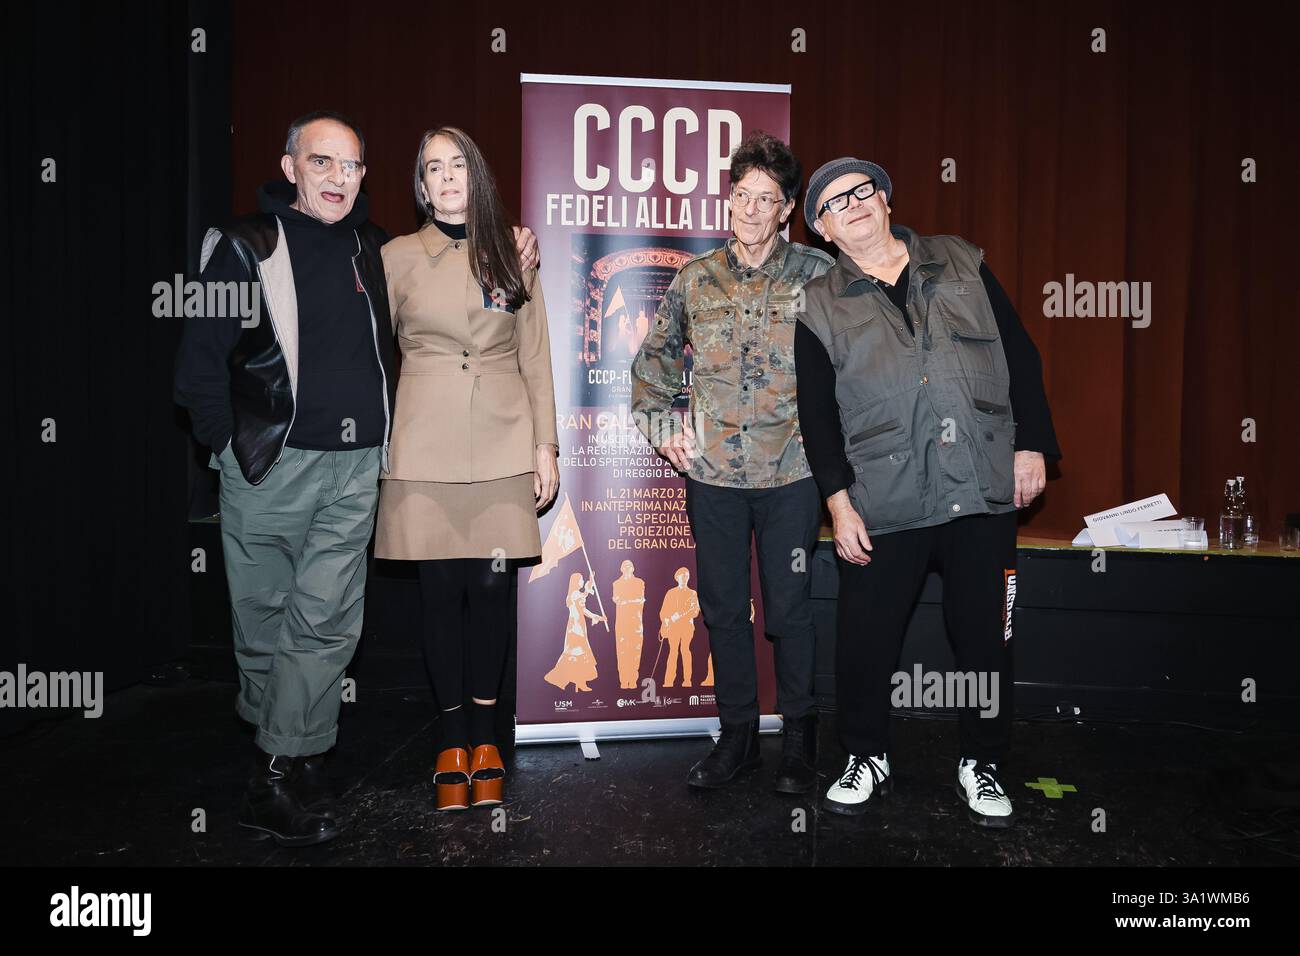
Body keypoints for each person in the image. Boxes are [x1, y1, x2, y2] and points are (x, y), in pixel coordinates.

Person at [175, 111, 538, 844]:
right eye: (323, 163)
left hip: (355, 470)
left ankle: (279, 772)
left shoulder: (370, 250)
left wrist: (510, 242)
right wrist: (233, 454)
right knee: (267, 627)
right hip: (269, 466)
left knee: (328, 627)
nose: (339, 178)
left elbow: (468, 274)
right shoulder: (247, 247)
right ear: (291, 168)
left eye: (351, 166)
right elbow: (196, 368)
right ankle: (286, 748)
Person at [795, 157, 1061, 827]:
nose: (850, 204)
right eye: (832, 204)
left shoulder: (961, 262)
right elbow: (816, 412)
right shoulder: (818, 304)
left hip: (980, 485)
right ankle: (866, 755)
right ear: (823, 232)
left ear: (884, 199)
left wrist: (1032, 444)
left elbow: (1020, 352)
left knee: (984, 639)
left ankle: (984, 762)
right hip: (885, 496)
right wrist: (837, 498)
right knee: (865, 640)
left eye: (860, 191)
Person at [631, 131, 833, 795]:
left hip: (793, 478)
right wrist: (665, 430)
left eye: (765, 199)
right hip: (714, 478)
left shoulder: (820, 277)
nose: (749, 209)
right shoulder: (696, 280)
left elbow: (861, 366)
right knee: (721, 607)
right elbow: (652, 363)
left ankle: (800, 741)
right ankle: (738, 738)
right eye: (740, 195)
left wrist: (835, 445)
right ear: (729, 199)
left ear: (787, 209)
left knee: (790, 609)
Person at [373, 126, 557, 812]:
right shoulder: (393, 256)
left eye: (457, 166)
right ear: (420, 185)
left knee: (491, 593)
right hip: (425, 445)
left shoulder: (513, 249)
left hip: (505, 442)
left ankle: (487, 735)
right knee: (439, 596)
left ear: (474, 176)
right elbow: (371, 353)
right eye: (433, 169)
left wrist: (547, 445)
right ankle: (451, 739)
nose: (447, 178)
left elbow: (535, 352)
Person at [543, 573, 605, 694]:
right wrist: (590, 584)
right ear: (576, 581)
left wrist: (597, 617)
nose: (582, 582)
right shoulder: (574, 594)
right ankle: (567, 679)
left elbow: (583, 609)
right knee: (577, 654)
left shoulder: (576, 595)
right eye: (581, 580)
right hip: (575, 627)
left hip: (579, 625)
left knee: (581, 655)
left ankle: (580, 683)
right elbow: (583, 596)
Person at [658, 567, 701, 688]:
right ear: (677, 578)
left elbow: (695, 612)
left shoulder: (692, 593)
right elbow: (663, 611)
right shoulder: (670, 593)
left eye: (687, 575)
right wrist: (666, 619)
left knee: (685, 651)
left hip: (687, 627)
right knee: (672, 652)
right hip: (673, 628)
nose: (685, 577)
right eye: (682, 575)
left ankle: (687, 680)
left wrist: (679, 617)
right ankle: (669, 681)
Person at [611, 560, 647, 689]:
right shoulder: (617, 584)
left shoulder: (639, 583)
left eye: (629, 566)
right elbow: (616, 599)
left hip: (636, 623)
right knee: (622, 652)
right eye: (625, 566)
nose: (627, 568)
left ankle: (632, 680)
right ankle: (623, 680)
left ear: (633, 568)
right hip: (621, 624)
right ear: (621, 569)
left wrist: (626, 602)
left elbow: (641, 599)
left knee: (635, 651)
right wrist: (629, 601)